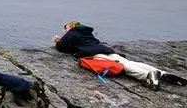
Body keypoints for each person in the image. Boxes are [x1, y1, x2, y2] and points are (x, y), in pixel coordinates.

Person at [54, 21, 187, 90]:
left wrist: (58, 41)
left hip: (93, 54)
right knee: (129, 62)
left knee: (124, 67)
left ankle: (148, 76)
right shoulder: (87, 33)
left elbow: (63, 48)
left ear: (70, 26)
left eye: (66, 28)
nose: (65, 30)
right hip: (106, 50)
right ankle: (161, 73)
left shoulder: (71, 33)